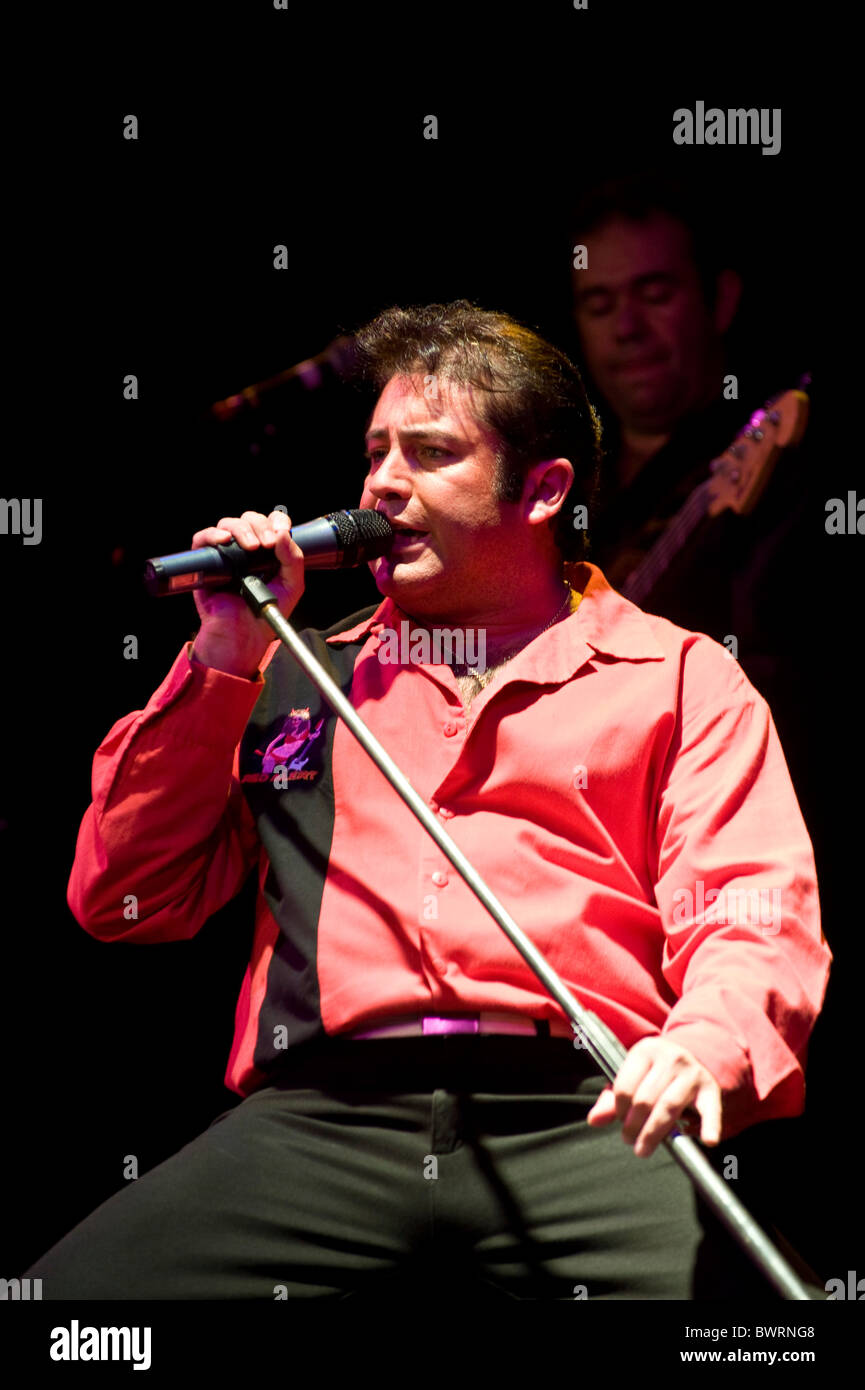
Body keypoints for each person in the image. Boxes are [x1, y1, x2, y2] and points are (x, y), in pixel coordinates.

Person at [22, 301, 830, 1301]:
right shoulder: (291, 673)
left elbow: (752, 909)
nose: (382, 485)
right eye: (374, 454)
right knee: (64, 1317)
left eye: (430, 452)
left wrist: (705, 1043)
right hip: (324, 1118)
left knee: (776, 1333)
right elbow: (127, 897)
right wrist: (223, 651)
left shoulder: (677, 677)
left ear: (539, 490)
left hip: (584, 1109)